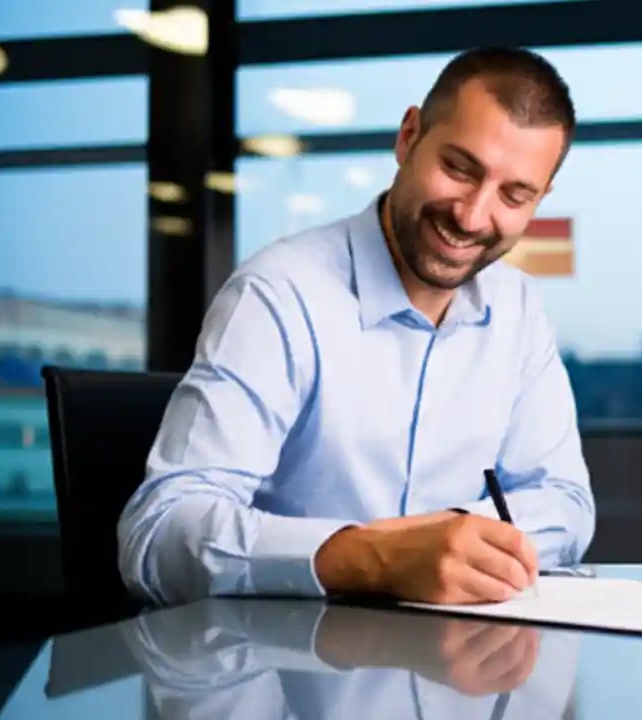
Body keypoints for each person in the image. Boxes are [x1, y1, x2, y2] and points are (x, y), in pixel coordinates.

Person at [117, 46, 595, 608]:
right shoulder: (280, 293)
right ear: (408, 136)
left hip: (456, 671)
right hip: (276, 675)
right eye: (459, 169)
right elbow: (157, 535)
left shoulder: (517, 309)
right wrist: (373, 556)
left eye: (514, 195)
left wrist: (452, 543)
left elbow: (565, 502)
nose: (472, 216)